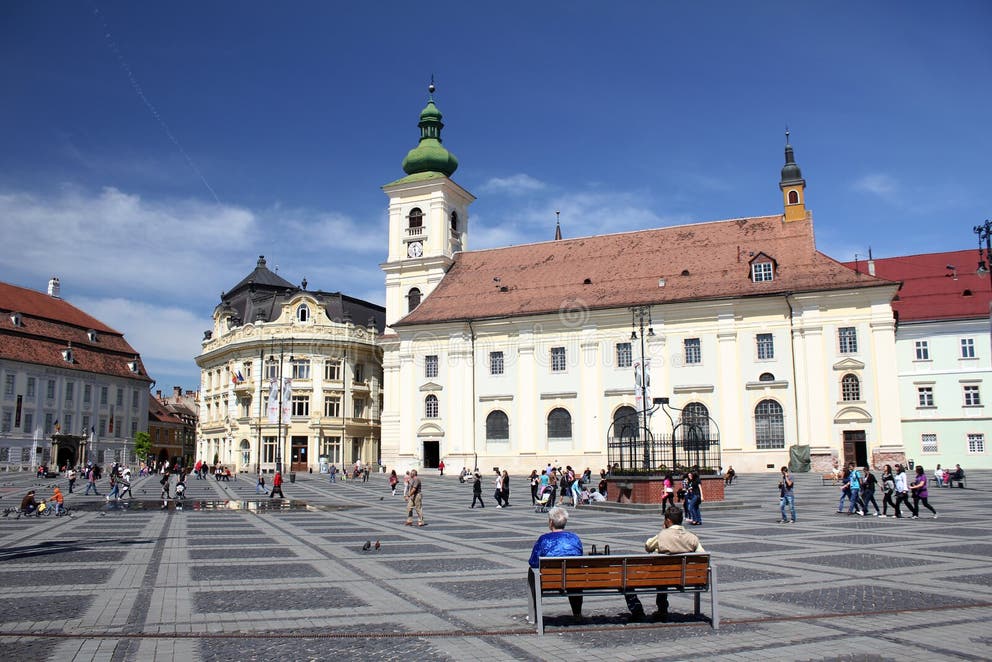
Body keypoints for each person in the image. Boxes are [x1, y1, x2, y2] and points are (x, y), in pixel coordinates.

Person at [625, 505, 704, 622]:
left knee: (627, 580)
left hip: (658, 576)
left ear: (668, 521)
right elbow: (701, 555)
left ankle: (637, 611)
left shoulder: (662, 536)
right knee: (664, 576)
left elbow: (648, 546)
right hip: (684, 578)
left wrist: (663, 530)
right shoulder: (692, 537)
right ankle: (662, 610)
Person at [527, 507, 583, 624]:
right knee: (573, 576)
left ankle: (534, 615)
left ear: (551, 522)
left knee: (532, 574)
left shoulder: (544, 539)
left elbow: (533, 562)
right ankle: (577, 613)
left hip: (549, 580)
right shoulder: (574, 538)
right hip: (573, 580)